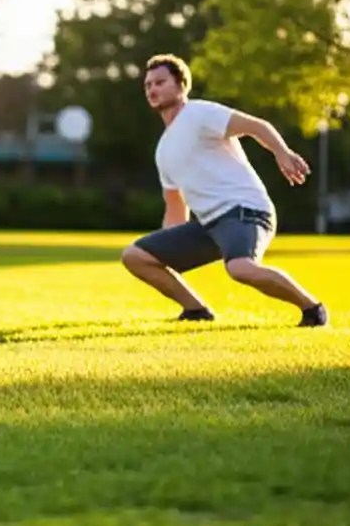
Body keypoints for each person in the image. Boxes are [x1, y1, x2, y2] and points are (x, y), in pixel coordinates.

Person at [120, 54, 328, 327]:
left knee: (240, 268)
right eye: (147, 86)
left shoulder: (199, 113)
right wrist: (168, 248)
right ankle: (196, 311)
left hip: (245, 211)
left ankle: (313, 309)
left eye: (160, 82)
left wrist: (282, 152)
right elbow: (175, 207)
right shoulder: (163, 149)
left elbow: (256, 127)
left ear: (181, 85)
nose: (152, 89)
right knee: (135, 256)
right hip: (208, 226)